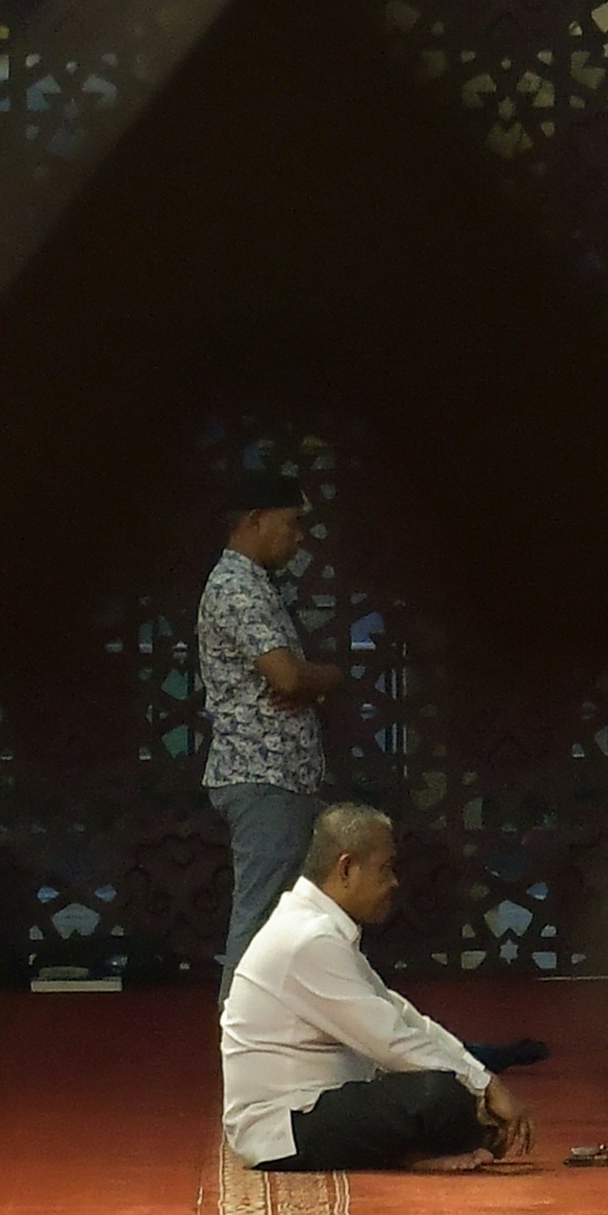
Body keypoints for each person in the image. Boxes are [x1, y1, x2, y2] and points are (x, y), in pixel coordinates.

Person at [222, 803, 532, 1171]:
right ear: (347, 868)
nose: (394, 882)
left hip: (316, 1108)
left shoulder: (318, 927)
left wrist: (479, 1075)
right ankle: (416, 1154)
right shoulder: (308, 938)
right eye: (384, 869)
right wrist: (483, 1087)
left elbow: (402, 1015)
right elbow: (390, 1042)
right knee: (439, 1095)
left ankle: (425, 1147)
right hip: (283, 1126)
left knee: (451, 1092)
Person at [192, 477, 336, 982]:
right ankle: (241, 1038)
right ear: (255, 519)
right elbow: (287, 677)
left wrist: (303, 681)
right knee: (260, 921)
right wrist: (327, 677)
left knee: (279, 920)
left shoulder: (249, 582)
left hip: (276, 774)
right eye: (291, 523)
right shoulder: (237, 586)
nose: (298, 539)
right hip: (263, 773)